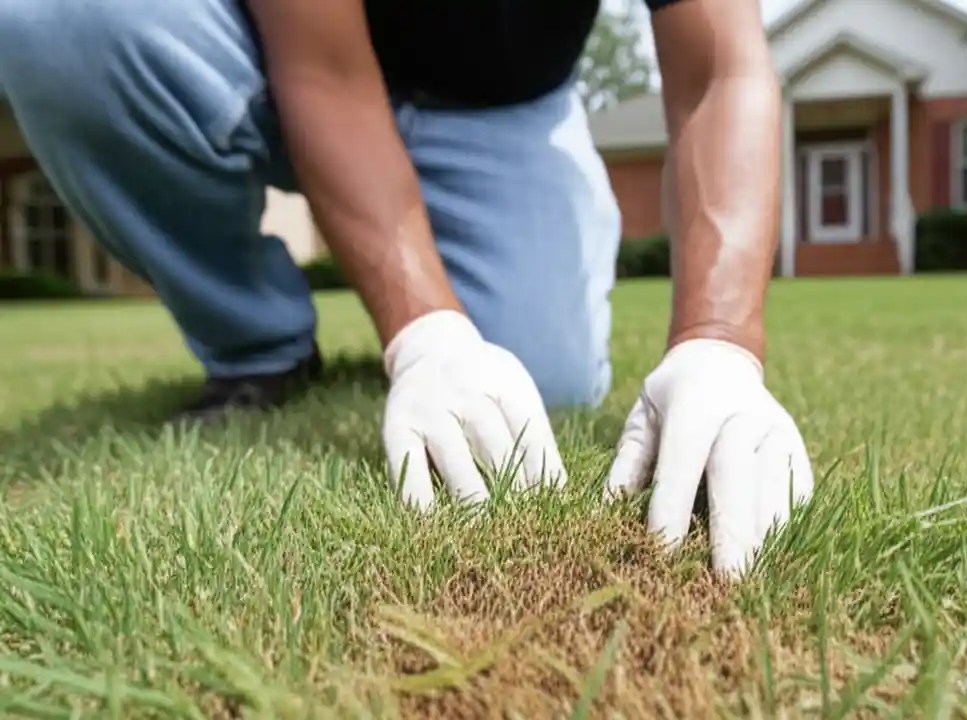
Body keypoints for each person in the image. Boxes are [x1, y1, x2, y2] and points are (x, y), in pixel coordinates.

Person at [0, 0, 813, 575]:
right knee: (59, 18)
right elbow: (324, 73)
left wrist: (719, 342)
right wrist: (423, 331)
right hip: (285, 62)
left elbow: (720, 71)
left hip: (505, 109)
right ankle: (259, 347)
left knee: (552, 380)